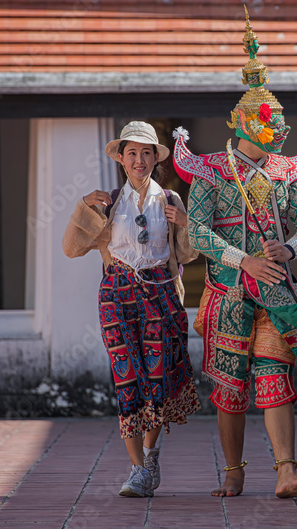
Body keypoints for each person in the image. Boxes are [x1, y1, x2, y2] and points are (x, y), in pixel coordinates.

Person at [173, 8, 297, 499]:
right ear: (244, 122)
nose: (280, 127)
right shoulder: (211, 170)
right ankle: (234, 471)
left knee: (274, 373)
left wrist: (288, 248)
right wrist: (243, 259)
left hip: (276, 291)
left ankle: (286, 473)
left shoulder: (288, 171)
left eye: (281, 119)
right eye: (271, 119)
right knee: (230, 386)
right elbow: (197, 231)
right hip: (228, 290)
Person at [62, 121, 200, 498]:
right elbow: (71, 249)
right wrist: (83, 208)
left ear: (156, 159)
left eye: (146, 153)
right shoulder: (107, 202)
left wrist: (185, 224)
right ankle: (137, 469)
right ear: (121, 159)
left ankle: (150, 456)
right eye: (132, 153)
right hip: (117, 295)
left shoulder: (170, 200)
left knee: (157, 379)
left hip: (160, 293)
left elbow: (188, 253)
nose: (139, 160)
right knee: (127, 381)